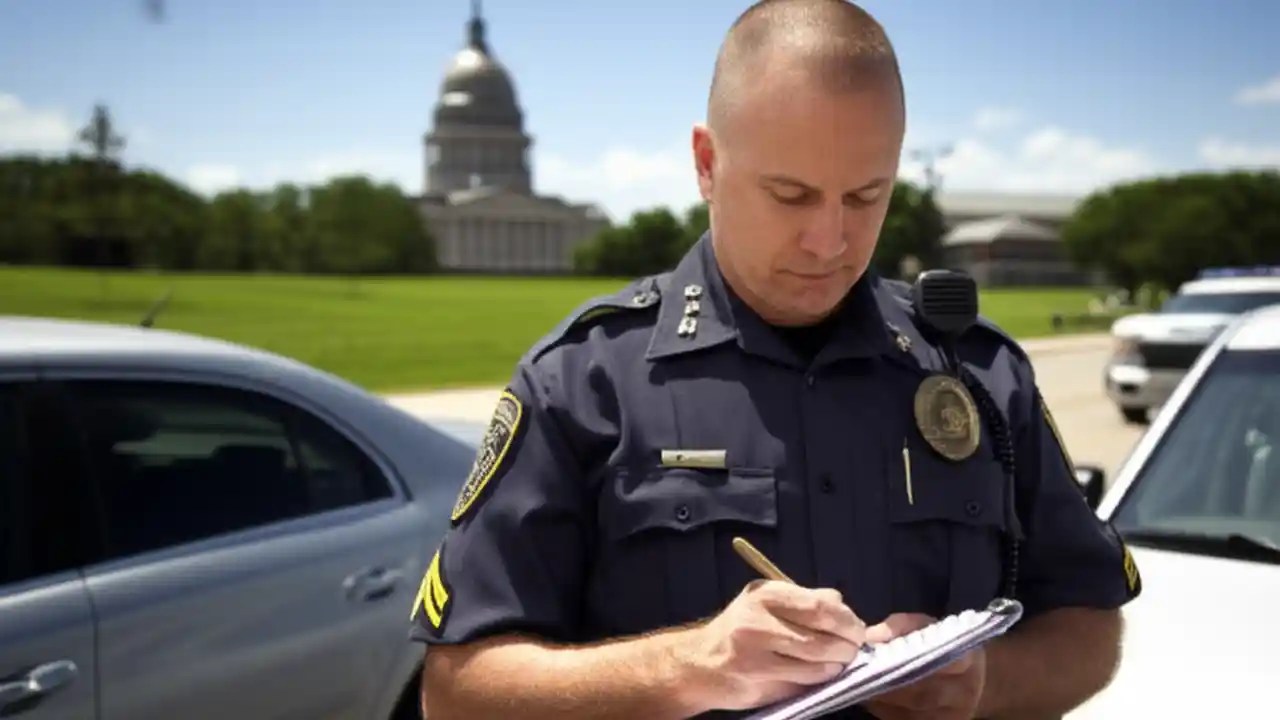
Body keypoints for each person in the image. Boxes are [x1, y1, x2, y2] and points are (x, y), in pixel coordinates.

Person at [409, 1, 1141, 717]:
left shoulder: (977, 373)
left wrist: (986, 684)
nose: (830, 242)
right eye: (790, 195)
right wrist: (685, 669)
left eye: (866, 195)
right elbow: (457, 691)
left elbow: (1089, 626)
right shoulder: (583, 383)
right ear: (706, 163)